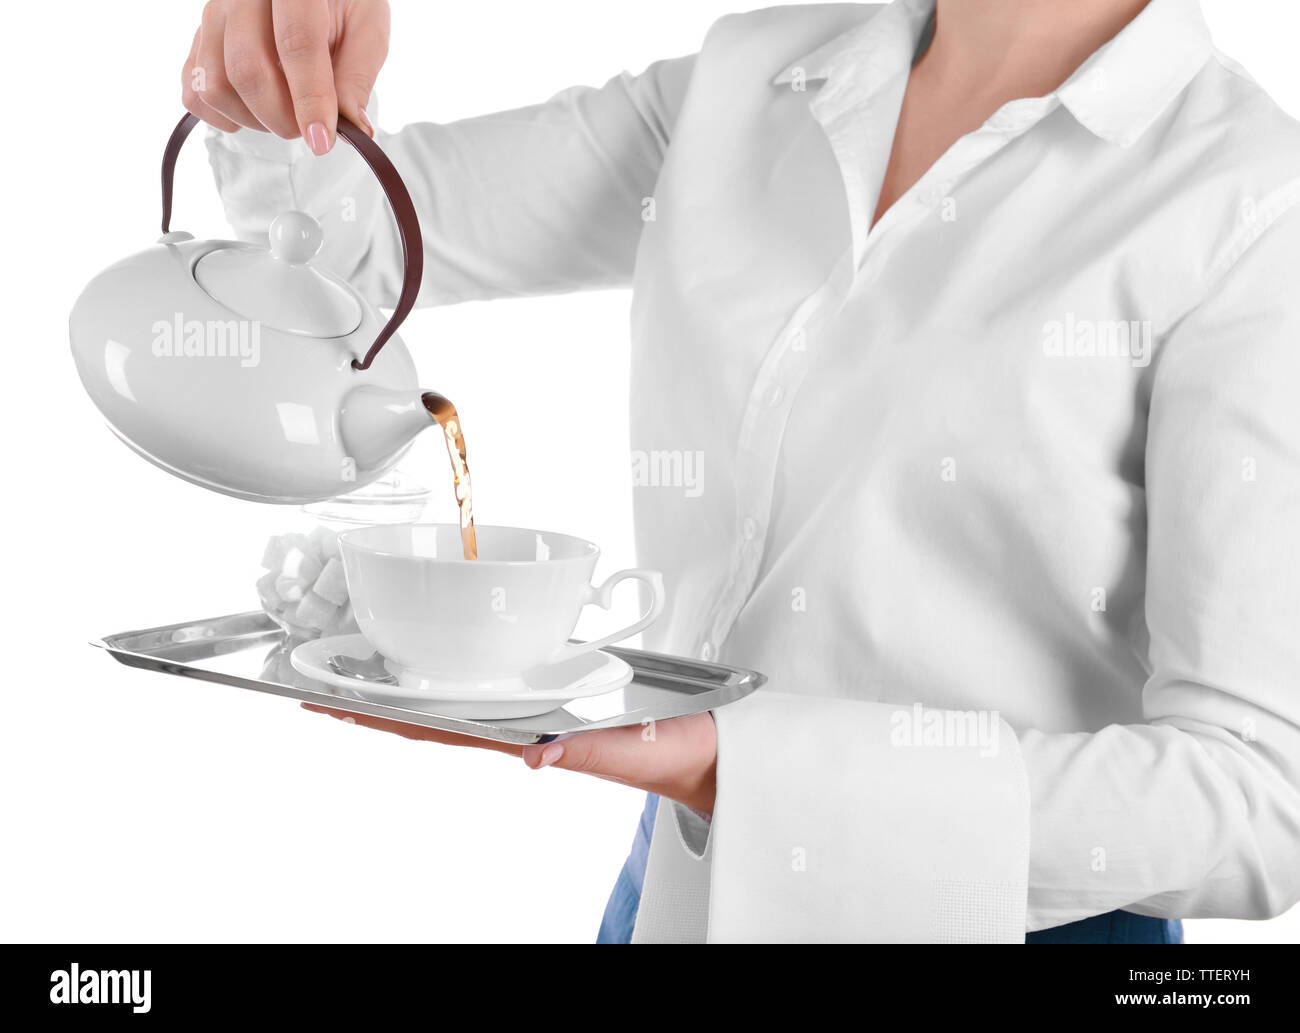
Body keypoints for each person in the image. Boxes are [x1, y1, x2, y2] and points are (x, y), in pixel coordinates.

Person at [184, 0, 1300, 942]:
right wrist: (285, 66)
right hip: (675, 886)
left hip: (1011, 918)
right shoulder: (754, 75)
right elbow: (349, 236)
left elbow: (1256, 801)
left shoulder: (1245, 202)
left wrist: (749, 771)